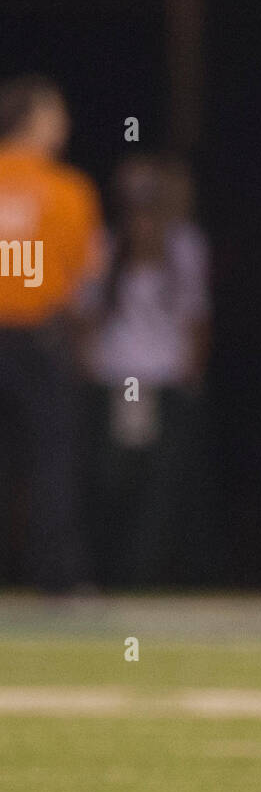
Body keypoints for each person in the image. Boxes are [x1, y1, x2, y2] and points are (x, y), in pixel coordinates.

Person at [79, 154, 211, 587]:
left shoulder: (184, 247)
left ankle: (146, 579)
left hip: (165, 384)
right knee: (111, 480)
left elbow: (196, 320)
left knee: (161, 487)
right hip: (115, 382)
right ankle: (104, 575)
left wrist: (192, 377)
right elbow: (85, 318)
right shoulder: (104, 245)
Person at [0, 74, 104, 592]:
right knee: (51, 462)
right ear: (35, 121)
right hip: (39, 340)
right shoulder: (67, 191)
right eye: (56, 114)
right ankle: (56, 582)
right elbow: (83, 286)